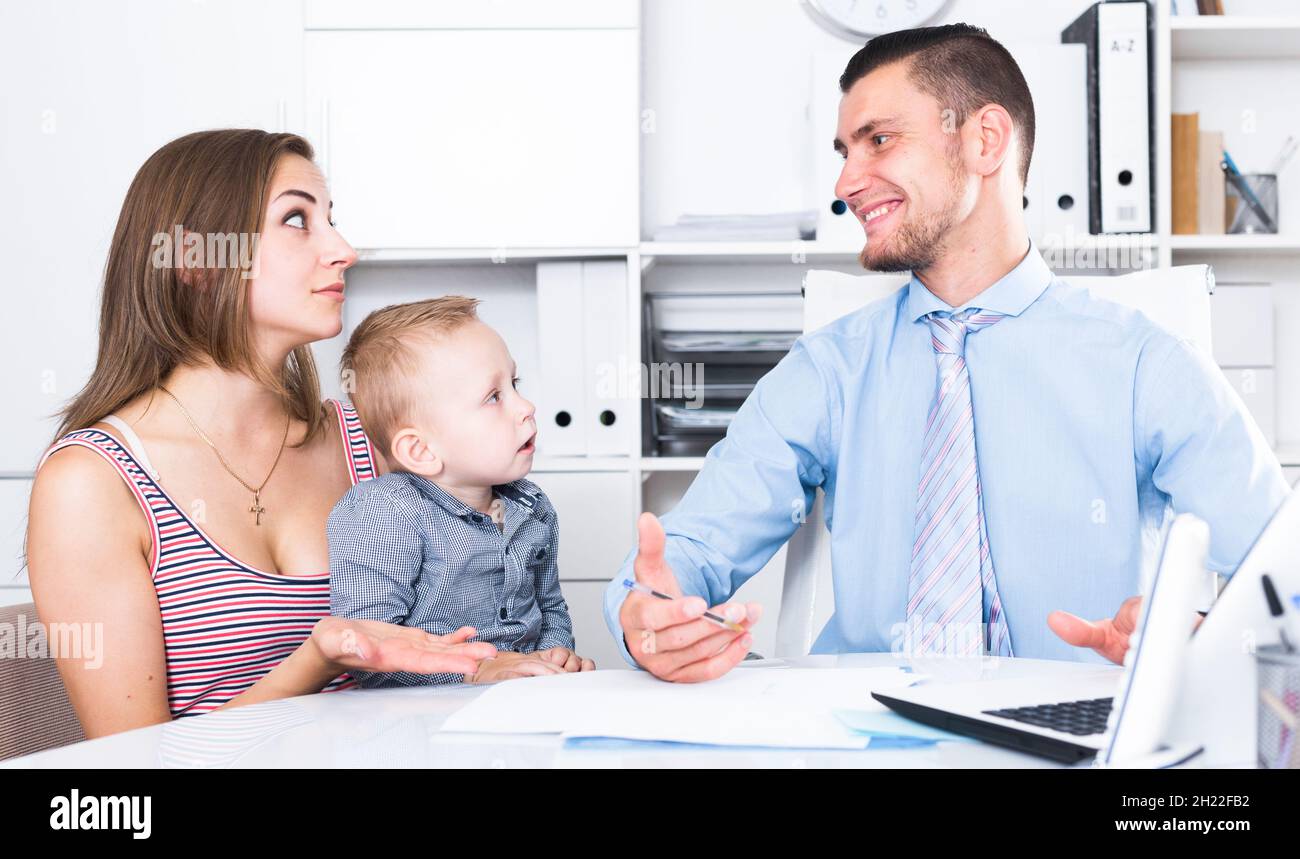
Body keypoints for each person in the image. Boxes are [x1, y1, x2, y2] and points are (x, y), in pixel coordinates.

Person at [606, 24, 1290, 682]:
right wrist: (648, 613)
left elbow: (1283, 580)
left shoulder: (1146, 364)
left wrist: (1204, 636)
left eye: (878, 140)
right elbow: (690, 549)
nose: (845, 184)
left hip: (1071, 728)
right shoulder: (828, 369)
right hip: (865, 727)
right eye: (844, 153)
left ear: (985, 140)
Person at [26, 130, 496, 738]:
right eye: (297, 220)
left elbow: (465, 638)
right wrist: (318, 658)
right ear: (196, 261)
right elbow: (130, 763)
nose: (343, 250)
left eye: (331, 219)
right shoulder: (92, 483)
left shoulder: (372, 444)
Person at [328, 297, 596, 685]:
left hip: (521, 701)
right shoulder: (384, 513)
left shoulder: (532, 506)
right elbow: (368, 652)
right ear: (421, 450)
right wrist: (473, 672)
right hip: (422, 714)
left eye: (515, 384)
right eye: (494, 397)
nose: (527, 406)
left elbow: (550, 607)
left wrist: (556, 655)